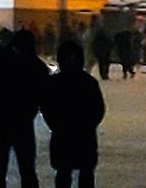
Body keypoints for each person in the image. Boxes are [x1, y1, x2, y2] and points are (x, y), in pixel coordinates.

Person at [0, 28, 49, 188]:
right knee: (24, 167)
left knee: (1, 166)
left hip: (3, 122)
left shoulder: (0, 62)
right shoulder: (35, 66)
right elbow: (43, 95)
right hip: (19, 123)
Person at [41, 38, 104, 188]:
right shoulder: (88, 82)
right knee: (85, 174)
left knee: (63, 173)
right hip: (84, 136)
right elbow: (98, 109)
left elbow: (46, 106)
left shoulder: (54, 83)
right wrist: (88, 125)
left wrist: (56, 125)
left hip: (62, 135)